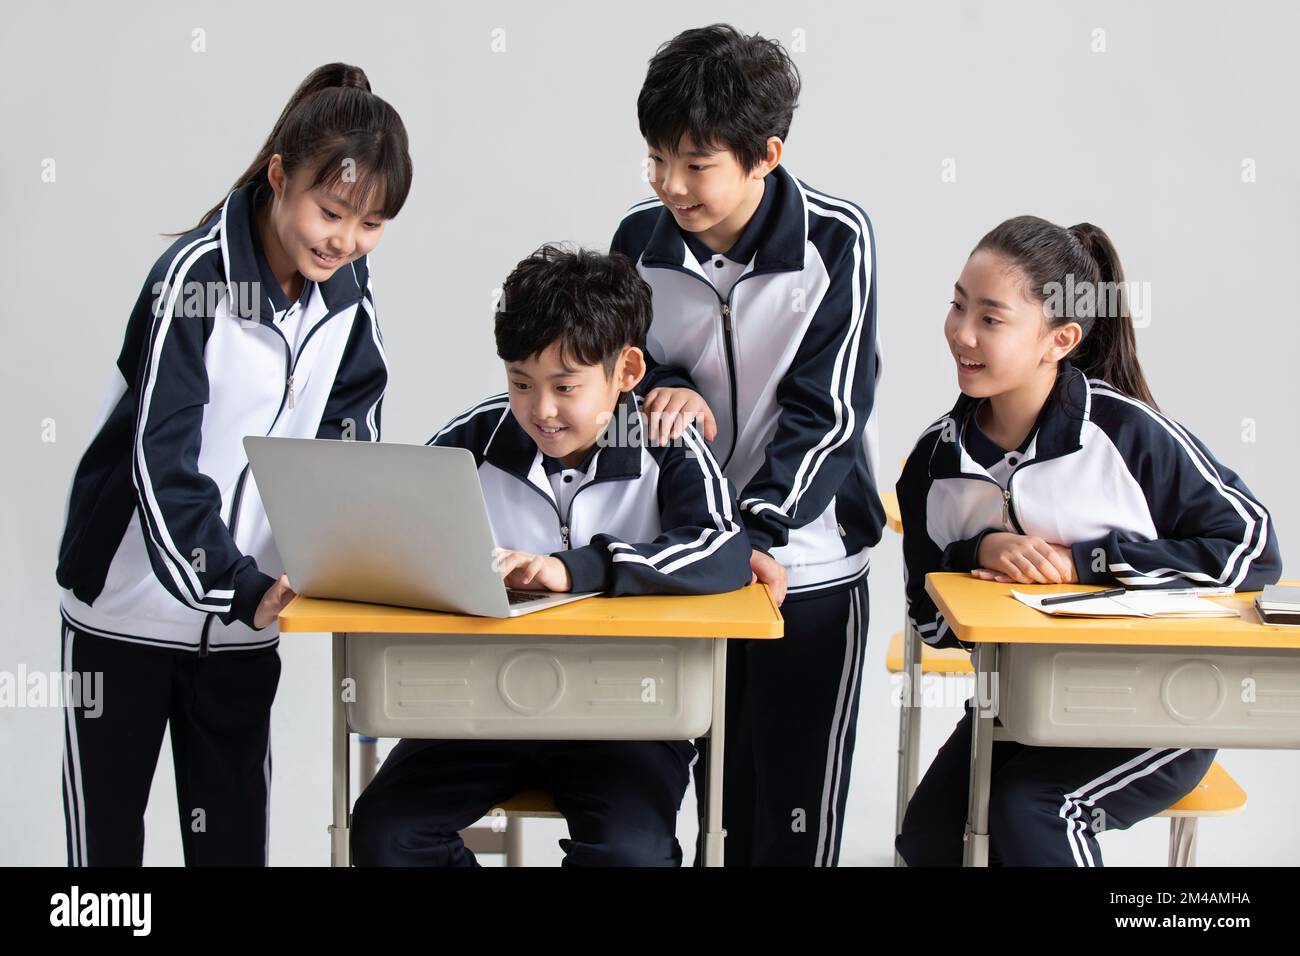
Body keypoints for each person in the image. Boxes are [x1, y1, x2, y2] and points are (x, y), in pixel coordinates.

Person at [55, 63, 412, 865]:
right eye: (330, 212)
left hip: (248, 624)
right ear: (280, 177)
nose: (345, 241)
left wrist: (341, 555)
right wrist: (237, 584)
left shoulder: (347, 289)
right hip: (128, 612)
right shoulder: (193, 281)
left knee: (231, 847)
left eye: (372, 224)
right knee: (107, 855)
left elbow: (351, 430)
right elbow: (162, 457)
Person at [895, 215, 1282, 866]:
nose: (961, 333)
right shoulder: (935, 462)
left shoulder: (1129, 434)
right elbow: (930, 623)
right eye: (957, 305)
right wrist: (977, 551)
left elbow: (1251, 549)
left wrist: (1092, 560)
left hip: (1163, 706)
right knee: (929, 841)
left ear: (1060, 339)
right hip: (1025, 705)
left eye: (991, 319)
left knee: (1033, 811)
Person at [350, 244, 752, 866]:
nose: (541, 409)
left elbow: (722, 551)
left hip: (627, 716)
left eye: (566, 387)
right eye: (520, 383)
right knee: (384, 832)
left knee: (631, 855)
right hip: (480, 706)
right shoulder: (473, 441)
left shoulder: (667, 444)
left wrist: (578, 570)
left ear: (626, 371)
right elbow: (399, 533)